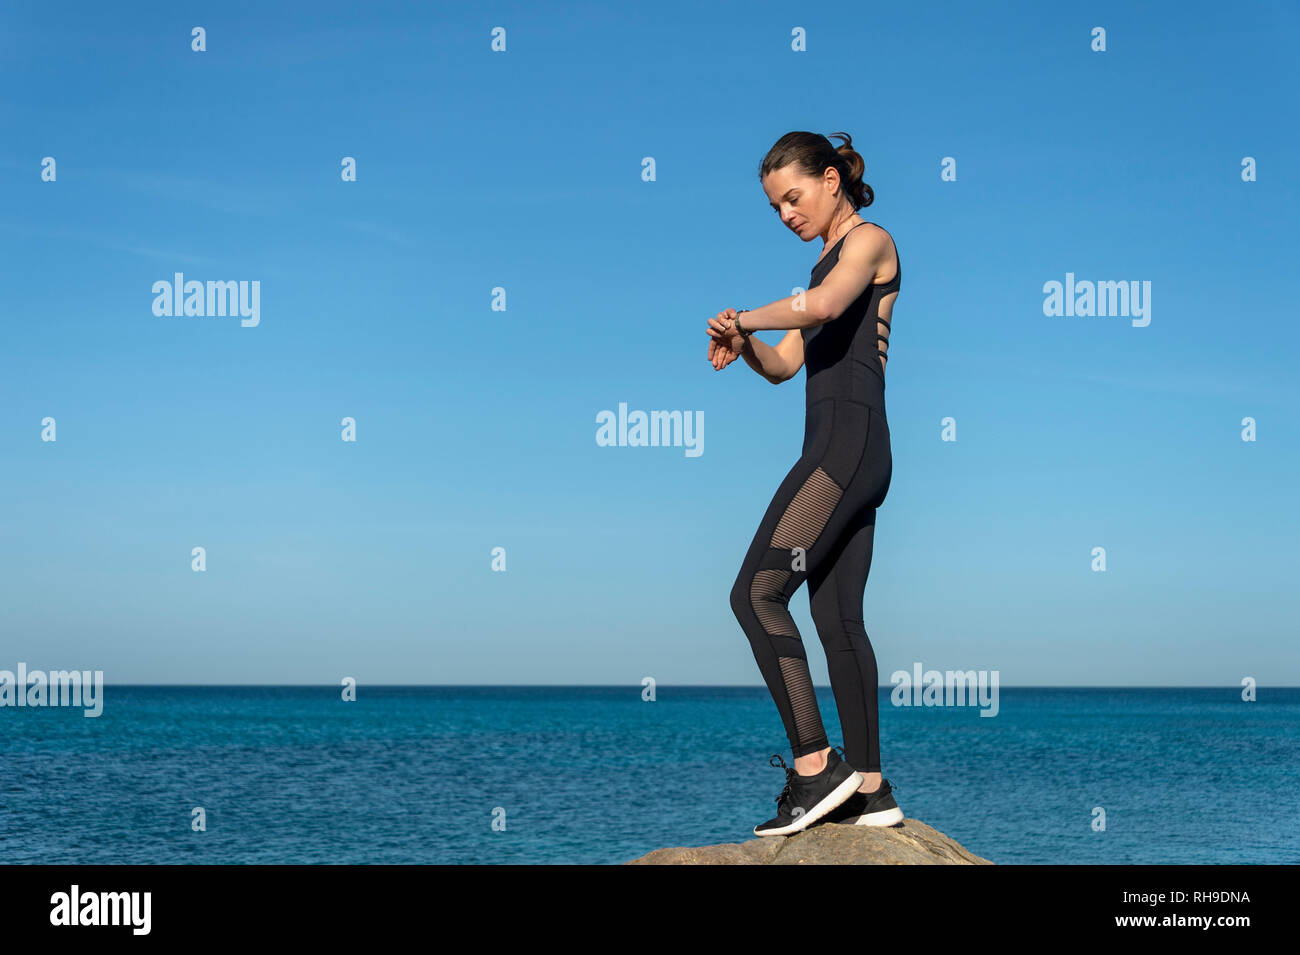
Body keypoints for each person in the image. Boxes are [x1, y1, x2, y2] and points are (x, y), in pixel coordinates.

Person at [706, 130, 905, 837]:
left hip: (844, 446)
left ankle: (817, 766)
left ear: (830, 179)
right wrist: (747, 342)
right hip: (848, 448)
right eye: (774, 207)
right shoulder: (821, 267)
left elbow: (820, 312)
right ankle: (872, 790)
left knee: (755, 592)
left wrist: (742, 314)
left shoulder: (869, 242)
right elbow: (787, 362)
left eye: (793, 197)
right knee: (836, 618)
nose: (786, 213)